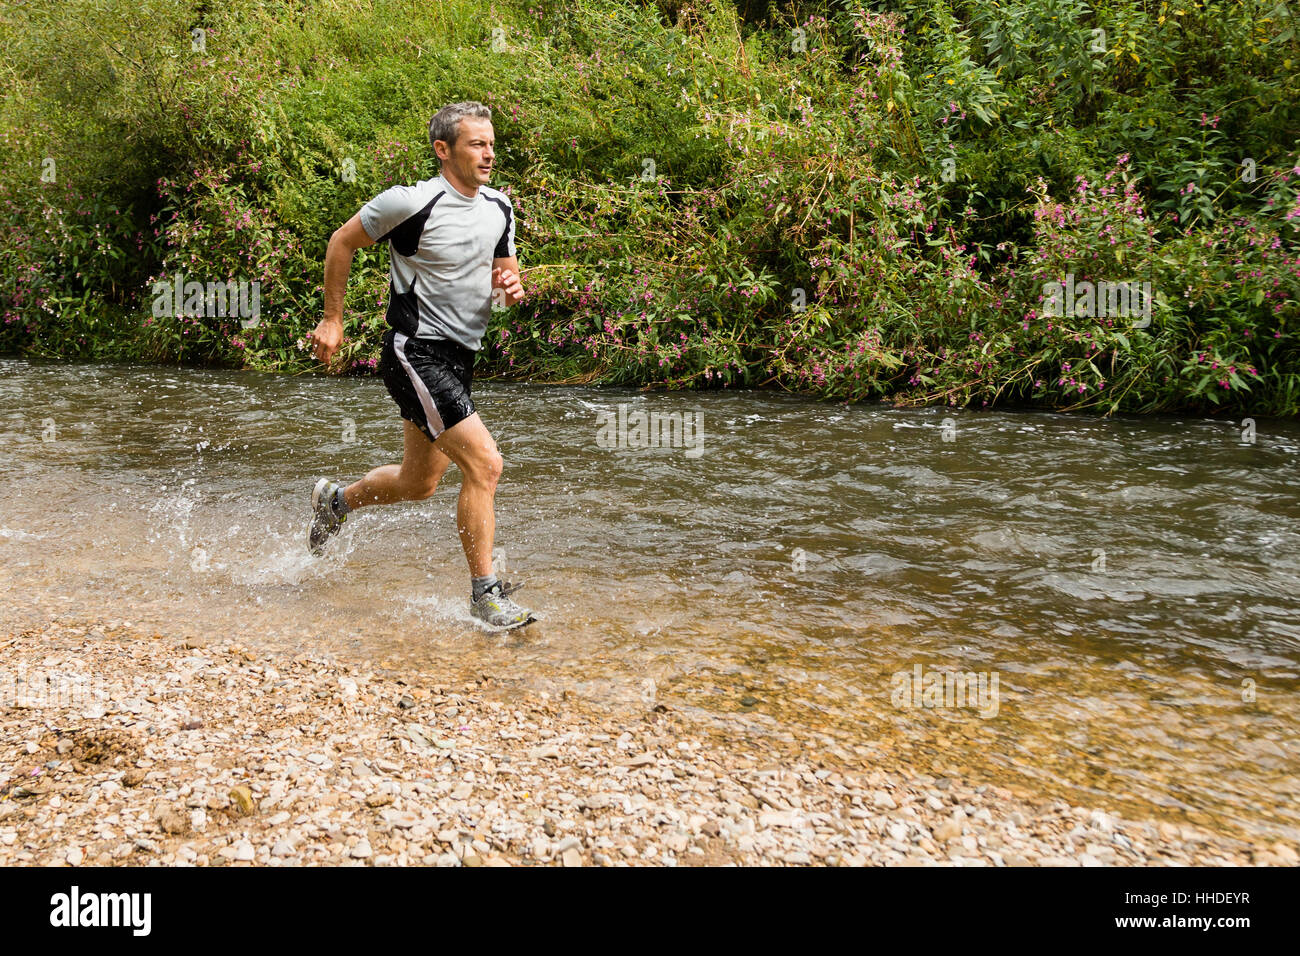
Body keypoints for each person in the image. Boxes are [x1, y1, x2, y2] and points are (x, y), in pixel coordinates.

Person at [306, 101, 533, 630]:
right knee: (485, 464)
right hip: (415, 351)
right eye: (477, 144)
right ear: (443, 150)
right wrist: (333, 320)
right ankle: (485, 595)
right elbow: (342, 242)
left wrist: (511, 290)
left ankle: (335, 503)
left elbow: (503, 281)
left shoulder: (500, 207)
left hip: (461, 355)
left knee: (418, 483)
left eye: (491, 143)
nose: (489, 153)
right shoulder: (410, 203)